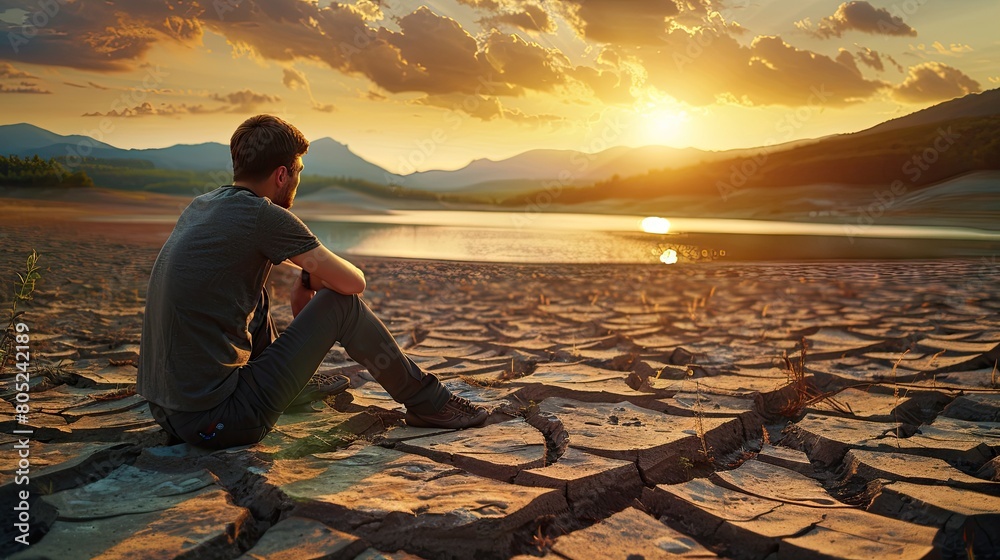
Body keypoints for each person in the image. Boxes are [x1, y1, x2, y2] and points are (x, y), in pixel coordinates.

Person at [137, 114, 488, 450]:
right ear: (281, 175)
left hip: (167, 412)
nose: (298, 180)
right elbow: (353, 283)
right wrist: (310, 277)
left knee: (253, 291)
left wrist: (305, 275)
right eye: (298, 171)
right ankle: (429, 402)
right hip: (219, 421)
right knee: (341, 306)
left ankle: (292, 390)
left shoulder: (203, 204)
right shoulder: (264, 215)